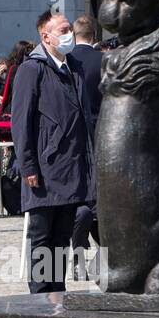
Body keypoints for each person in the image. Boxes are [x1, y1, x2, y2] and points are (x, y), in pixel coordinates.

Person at [11, 11, 96, 294]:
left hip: (72, 168)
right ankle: (40, 297)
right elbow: (21, 122)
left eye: (69, 28)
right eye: (62, 30)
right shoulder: (32, 69)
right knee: (42, 238)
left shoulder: (74, 66)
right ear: (45, 36)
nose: (68, 33)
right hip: (45, 170)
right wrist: (28, 166)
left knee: (61, 239)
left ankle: (56, 295)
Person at [69, 15, 105, 262]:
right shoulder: (104, 61)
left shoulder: (65, 61)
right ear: (94, 36)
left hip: (69, 135)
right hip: (98, 131)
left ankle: (78, 251)